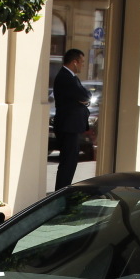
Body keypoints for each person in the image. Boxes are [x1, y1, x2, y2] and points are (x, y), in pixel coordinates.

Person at [52, 48, 92, 190]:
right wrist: (84, 99)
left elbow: (86, 96)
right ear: (74, 62)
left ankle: (63, 191)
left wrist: (84, 100)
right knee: (68, 163)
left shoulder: (71, 77)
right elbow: (84, 95)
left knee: (70, 162)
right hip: (68, 127)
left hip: (71, 126)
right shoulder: (66, 77)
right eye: (81, 62)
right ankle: (61, 193)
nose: (82, 65)